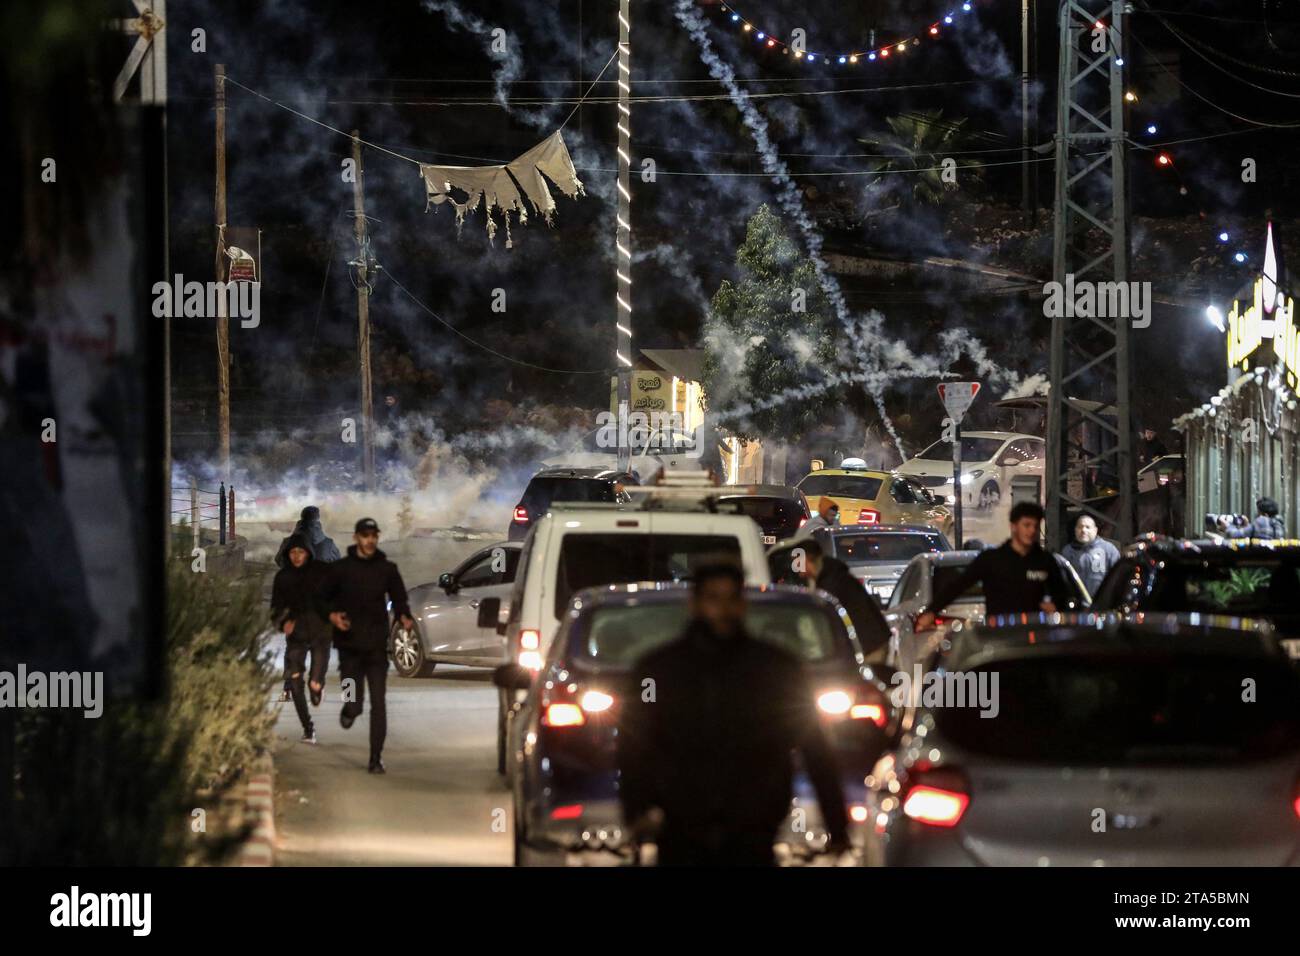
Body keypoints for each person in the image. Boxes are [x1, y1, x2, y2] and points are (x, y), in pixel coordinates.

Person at [617, 561, 850, 866]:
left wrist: (837, 823)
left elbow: (815, 746)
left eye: (731, 599)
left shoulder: (774, 669)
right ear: (696, 603)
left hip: (753, 826)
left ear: (742, 604)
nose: (723, 610)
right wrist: (636, 810)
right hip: (682, 825)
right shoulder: (660, 670)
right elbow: (635, 743)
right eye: (714, 598)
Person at [317, 517, 412, 774]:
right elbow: (321, 598)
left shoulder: (387, 569)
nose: (369, 540)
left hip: (376, 649)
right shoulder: (341, 569)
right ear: (356, 538)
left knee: (378, 703)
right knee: (354, 700)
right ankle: (349, 709)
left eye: (373, 536)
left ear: (377, 538)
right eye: (365, 536)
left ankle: (375, 758)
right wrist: (332, 615)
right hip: (349, 648)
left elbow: (400, 599)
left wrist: (404, 617)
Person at [915, 501, 1071, 630]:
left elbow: (1063, 594)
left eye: (1036, 526)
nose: (1032, 531)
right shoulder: (992, 560)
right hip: (998, 635)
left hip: (1033, 636)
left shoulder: (1046, 561)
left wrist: (1055, 606)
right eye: (1027, 525)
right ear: (1014, 526)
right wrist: (931, 612)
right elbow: (958, 586)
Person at [270, 533, 332, 743]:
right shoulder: (283, 578)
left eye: (301, 552)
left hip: (321, 634)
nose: (296, 556)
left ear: (308, 553)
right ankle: (308, 728)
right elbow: (276, 607)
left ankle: (317, 688)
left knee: (314, 683)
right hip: (296, 637)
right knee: (295, 683)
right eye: (293, 552)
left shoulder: (321, 572)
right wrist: (282, 622)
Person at [795, 537, 890, 658]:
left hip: (869, 645)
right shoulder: (831, 575)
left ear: (807, 559)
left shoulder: (832, 582)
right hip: (868, 643)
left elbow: (829, 622)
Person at [1060, 513, 1120, 595]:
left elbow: (1118, 577)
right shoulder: (1067, 551)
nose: (1083, 530)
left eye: (1088, 527)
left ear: (1095, 530)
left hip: (1101, 603)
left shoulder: (1109, 549)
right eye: (1080, 527)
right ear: (1075, 530)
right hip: (1078, 603)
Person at [275, 505, 341, 569]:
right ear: (317, 518)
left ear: (302, 517)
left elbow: (279, 560)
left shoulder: (288, 542)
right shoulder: (329, 543)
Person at [1221, 497, 1286, 540]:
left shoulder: (1262, 521)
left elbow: (1236, 535)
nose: (1257, 516)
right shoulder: (1279, 524)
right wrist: (1247, 526)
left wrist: (1228, 526)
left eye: (1258, 513)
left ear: (1265, 515)